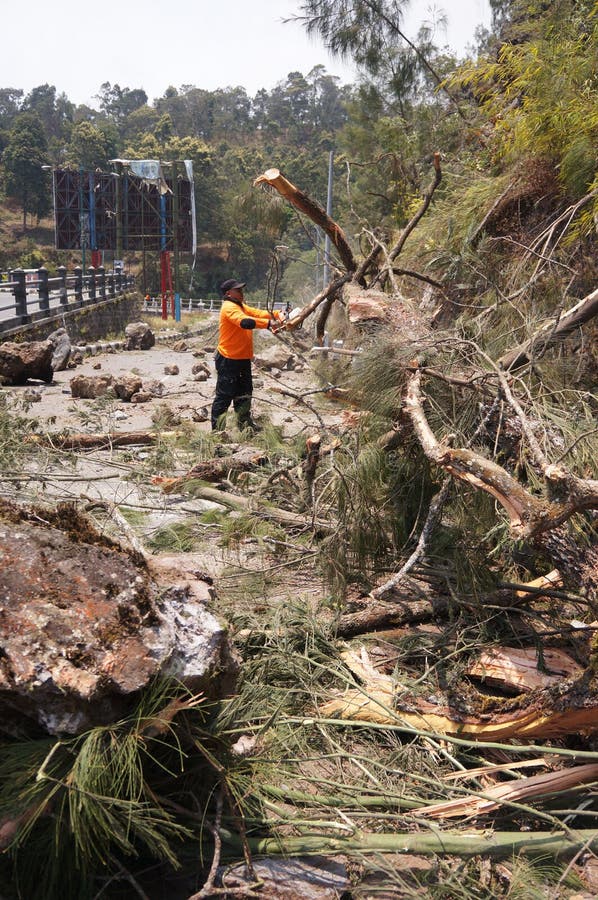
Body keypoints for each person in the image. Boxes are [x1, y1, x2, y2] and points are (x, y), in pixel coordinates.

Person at [211, 278, 283, 432]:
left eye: (241, 289)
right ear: (228, 293)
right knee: (224, 396)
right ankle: (217, 431)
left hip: (242, 358)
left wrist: (277, 314)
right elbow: (244, 322)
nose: (241, 292)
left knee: (244, 394)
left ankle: (244, 426)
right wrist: (268, 324)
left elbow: (258, 313)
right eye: (238, 290)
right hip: (228, 359)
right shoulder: (229, 307)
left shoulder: (240, 306)